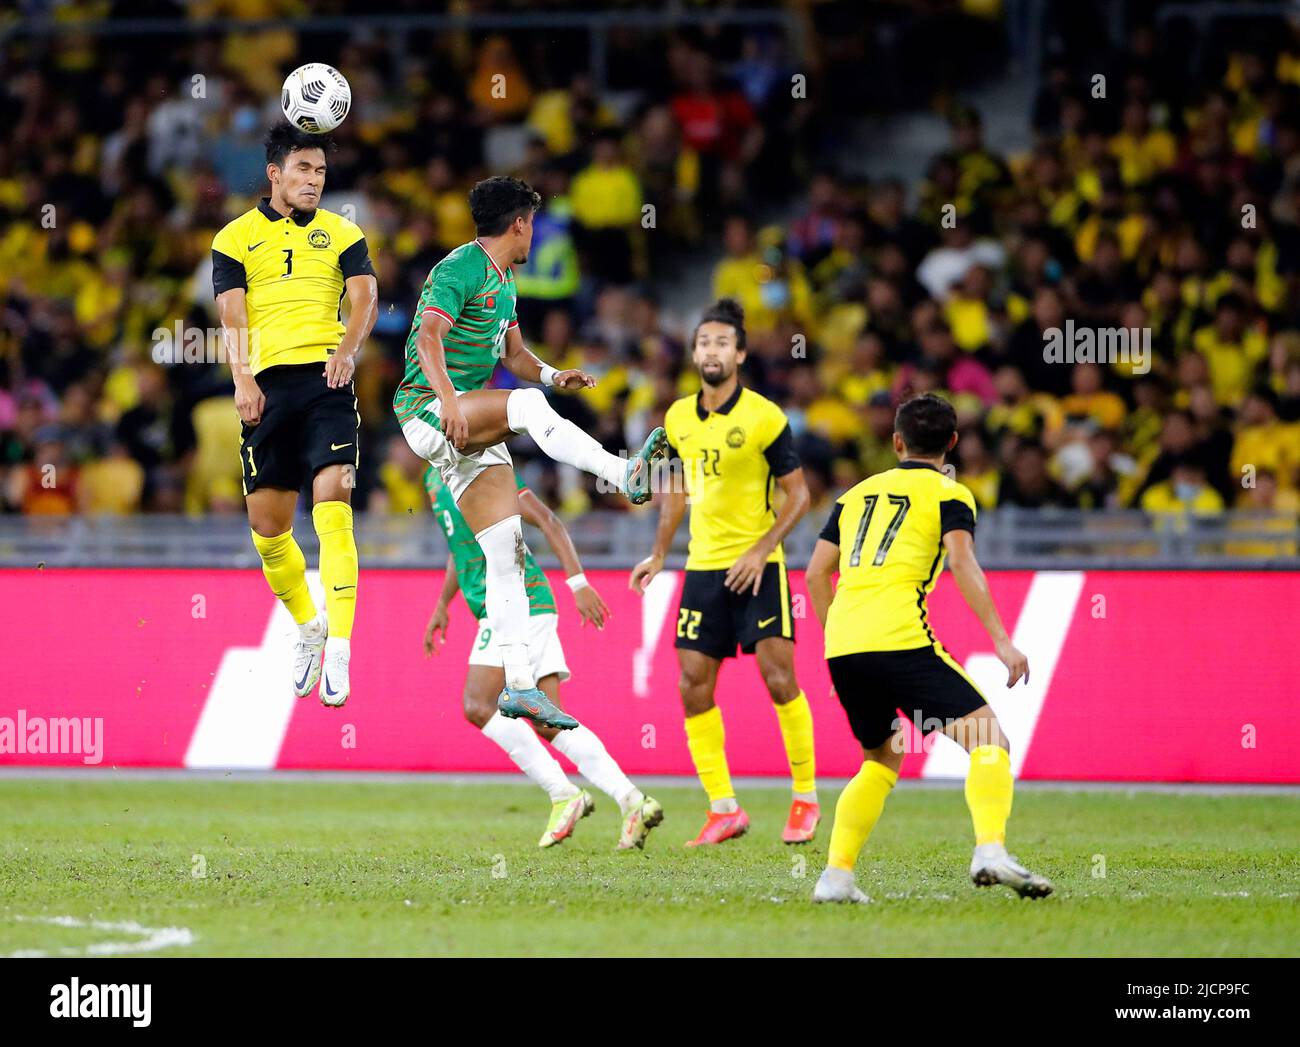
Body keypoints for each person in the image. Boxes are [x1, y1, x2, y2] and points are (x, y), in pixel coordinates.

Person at [395, 175, 666, 732]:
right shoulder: (459, 268)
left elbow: (514, 353)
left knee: (506, 554)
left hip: (462, 422)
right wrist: (447, 400)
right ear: (519, 224)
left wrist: (551, 374)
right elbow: (427, 338)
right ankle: (624, 472)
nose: (533, 235)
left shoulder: (505, 283)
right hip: (428, 409)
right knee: (524, 408)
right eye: (532, 224)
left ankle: (519, 685)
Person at [804, 393, 1052, 903]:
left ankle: (837, 876)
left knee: (881, 758)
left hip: (844, 646)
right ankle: (989, 850)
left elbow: (814, 575)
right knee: (990, 742)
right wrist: (1003, 643)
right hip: (900, 640)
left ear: (897, 442)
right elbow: (962, 563)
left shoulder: (853, 495)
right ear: (953, 444)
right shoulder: (950, 494)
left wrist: (837, 648)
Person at [630, 298, 818, 846]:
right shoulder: (677, 418)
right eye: (702, 343)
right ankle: (723, 808)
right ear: (694, 354)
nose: (710, 351)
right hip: (703, 571)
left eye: (721, 343)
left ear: (738, 353)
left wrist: (761, 550)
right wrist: (661, 554)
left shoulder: (764, 417)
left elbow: (800, 495)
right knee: (692, 685)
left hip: (759, 568)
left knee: (779, 678)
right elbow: (676, 493)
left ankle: (805, 798)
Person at [212, 124, 377, 707]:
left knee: (334, 501)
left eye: (321, 173)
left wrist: (347, 350)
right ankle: (309, 626)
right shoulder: (234, 239)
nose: (314, 182)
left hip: (327, 382)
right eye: (303, 171)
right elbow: (232, 315)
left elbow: (365, 298)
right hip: (265, 389)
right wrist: (242, 380)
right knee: (268, 528)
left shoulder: (343, 233)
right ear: (275, 173)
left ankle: (341, 650)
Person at [423, 467, 663, 849]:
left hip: (518, 603)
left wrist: (578, 583)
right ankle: (633, 801)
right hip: (515, 606)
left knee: (477, 704)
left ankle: (563, 794)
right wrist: (442, 603)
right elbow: (461, 544)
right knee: (549, 722)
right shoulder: (435, 479)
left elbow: (548, 519)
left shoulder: (483, 466)